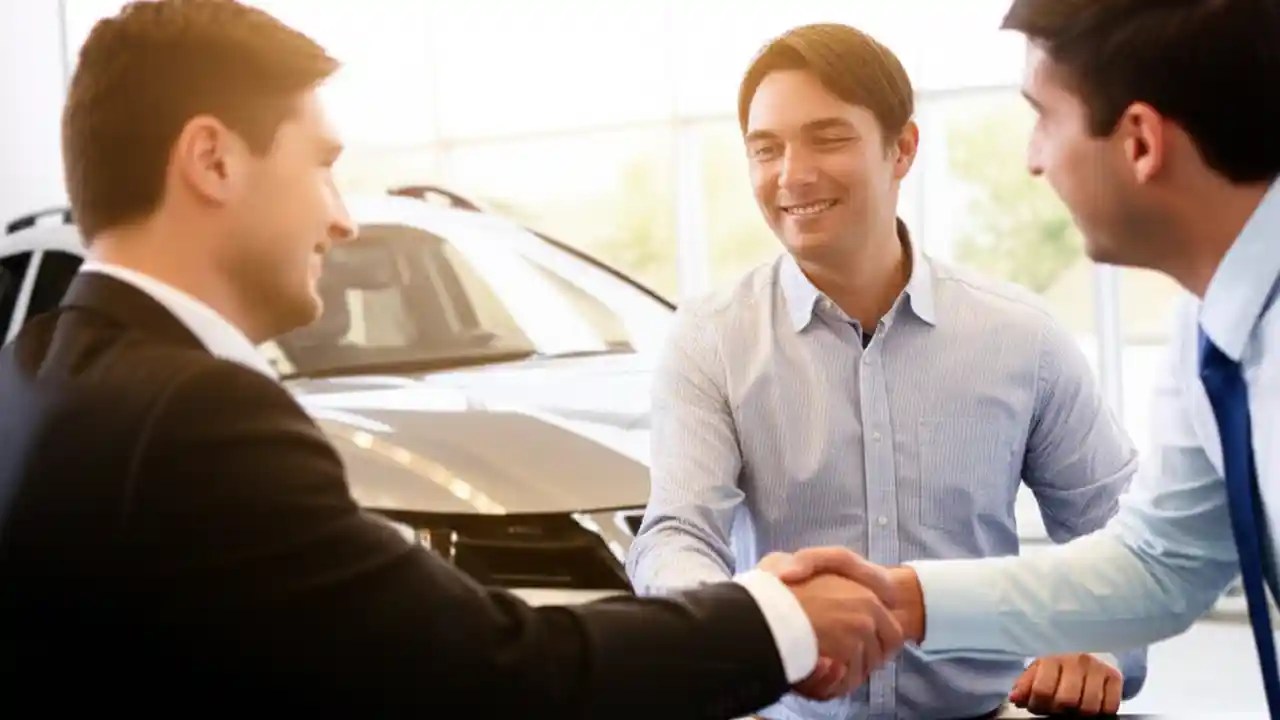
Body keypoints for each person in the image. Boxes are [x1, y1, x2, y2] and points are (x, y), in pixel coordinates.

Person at [0, 1, 907, 714]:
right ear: (213, 160)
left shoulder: (37, 374)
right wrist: (775, 620)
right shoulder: (195, 415)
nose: (341, 216)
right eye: (321, 165)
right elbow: (485, 675)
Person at [626, 21, 1147, 720]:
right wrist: (729, 636)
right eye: (766, 149)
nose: (792, 174)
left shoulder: (1021, 337)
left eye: (827, 138)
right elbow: (677, 536)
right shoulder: (710, 341)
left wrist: (1096, 641)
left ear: (902, 148)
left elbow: (1120, 527)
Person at [772, 0, 1280, 716]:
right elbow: (1159, 562)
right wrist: (903, 599)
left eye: (1045, 118)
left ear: (1139, 141)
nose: (1033, 159)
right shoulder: (1211, 326)